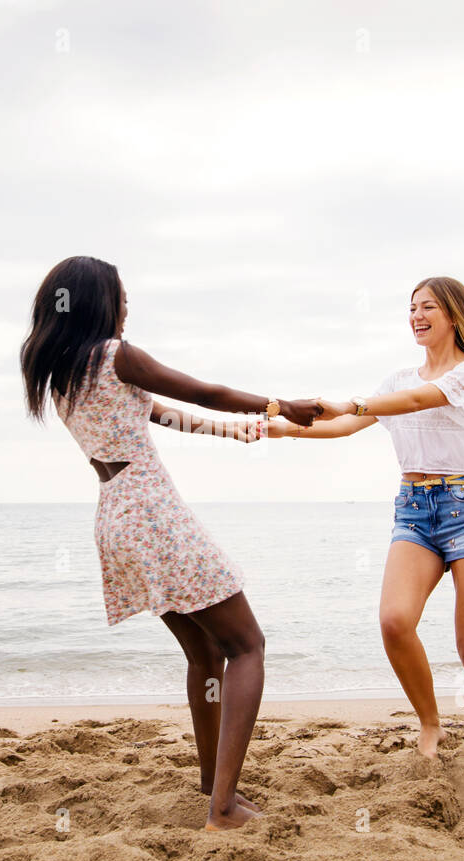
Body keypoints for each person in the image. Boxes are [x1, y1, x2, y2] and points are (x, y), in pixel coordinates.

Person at [19, 255, 321, 828]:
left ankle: (214, 783)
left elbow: (163, 415)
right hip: (153, 515)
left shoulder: (63, 372)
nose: (127, 307)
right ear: (98, 302)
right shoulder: (116, 355)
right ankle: (224, 808)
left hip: (116, 517)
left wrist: (236, 431)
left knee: (205, 652)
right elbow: (204, 391)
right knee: (247, 646)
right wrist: (282, 406)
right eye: (121, 296)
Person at [269, 276, 464, 779]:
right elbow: (344, 425)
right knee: (394, 621)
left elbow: (414, 403)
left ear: (454, 315)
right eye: (411, 308)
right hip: (413, 509)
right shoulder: (394, 379)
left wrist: (350, 403)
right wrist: (278, 426)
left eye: (428, 306)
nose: (417, 315)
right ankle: (431, 724)